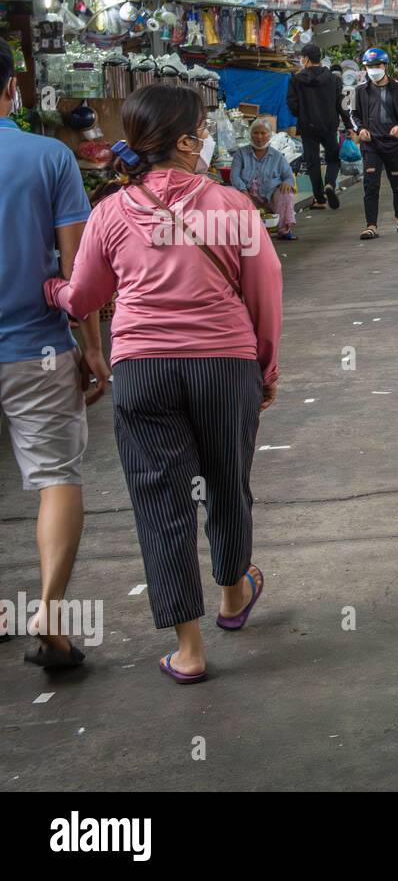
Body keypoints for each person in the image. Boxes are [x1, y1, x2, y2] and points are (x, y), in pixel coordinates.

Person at [43, 83, 282, 685]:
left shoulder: (111, 212)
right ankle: (233, 596)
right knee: (228, 481)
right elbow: (265, 292)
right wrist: (266, 367)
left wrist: (53, 290)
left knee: (161, 503)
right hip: (226, 366)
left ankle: (190, 649)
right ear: (184, 139)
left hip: (143, 369)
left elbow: (86, 298)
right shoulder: (231, 206)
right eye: (199, 127)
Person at [0, 40, 109, 669]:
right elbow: (79, 269)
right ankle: (48, 611)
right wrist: (92, 347)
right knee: (56, 478)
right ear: (11, 88)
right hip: (36, 348)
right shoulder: (50, 157)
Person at [347, 47, 398, 240]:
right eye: (369, 66)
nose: (373, 69)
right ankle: (371, 226)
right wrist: (361, 129)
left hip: (393, 144)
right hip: (371, 146)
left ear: (385, 66)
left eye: (376, 65)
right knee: (371, 185)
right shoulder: (360, 90)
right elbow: (353, 115)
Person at [286, 43, 344, 211]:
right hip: (329, 124)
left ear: (306, 59)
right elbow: (340, 104)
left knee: (312, 162)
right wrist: (349, 124)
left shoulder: (296, 79)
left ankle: (319, 198)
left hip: (307, 125)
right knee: (333, 158)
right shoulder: (333, 79)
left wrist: (302, 113)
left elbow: (291, 103)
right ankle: (330, 184)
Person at [229, 118, 298, 241]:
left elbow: (288, 175)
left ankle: (284, 230)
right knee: (230, 193)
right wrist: (243, 191)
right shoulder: (241, 153)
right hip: (247, 194)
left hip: (270, 195)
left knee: (286, 193)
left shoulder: (277, 156)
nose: (259, 137)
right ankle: (241, 233)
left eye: (263, 133)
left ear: (269, 135)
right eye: (255, 132)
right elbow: (234, 176)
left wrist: (287, 182)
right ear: (250, 135)